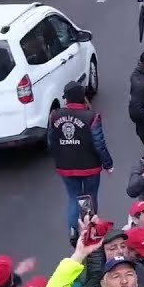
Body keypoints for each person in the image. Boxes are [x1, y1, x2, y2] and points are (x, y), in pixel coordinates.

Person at [48, 81, 114, 237]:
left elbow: (51, 142)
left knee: (73, 197)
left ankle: (73, 231)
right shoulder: (91, 116)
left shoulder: (54, 116)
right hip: (89, 166)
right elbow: (99, 143)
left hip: (65, 166)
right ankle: (89, 229)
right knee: (89, 196)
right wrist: (108, 164)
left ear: (67, 99)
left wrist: (60, 157)